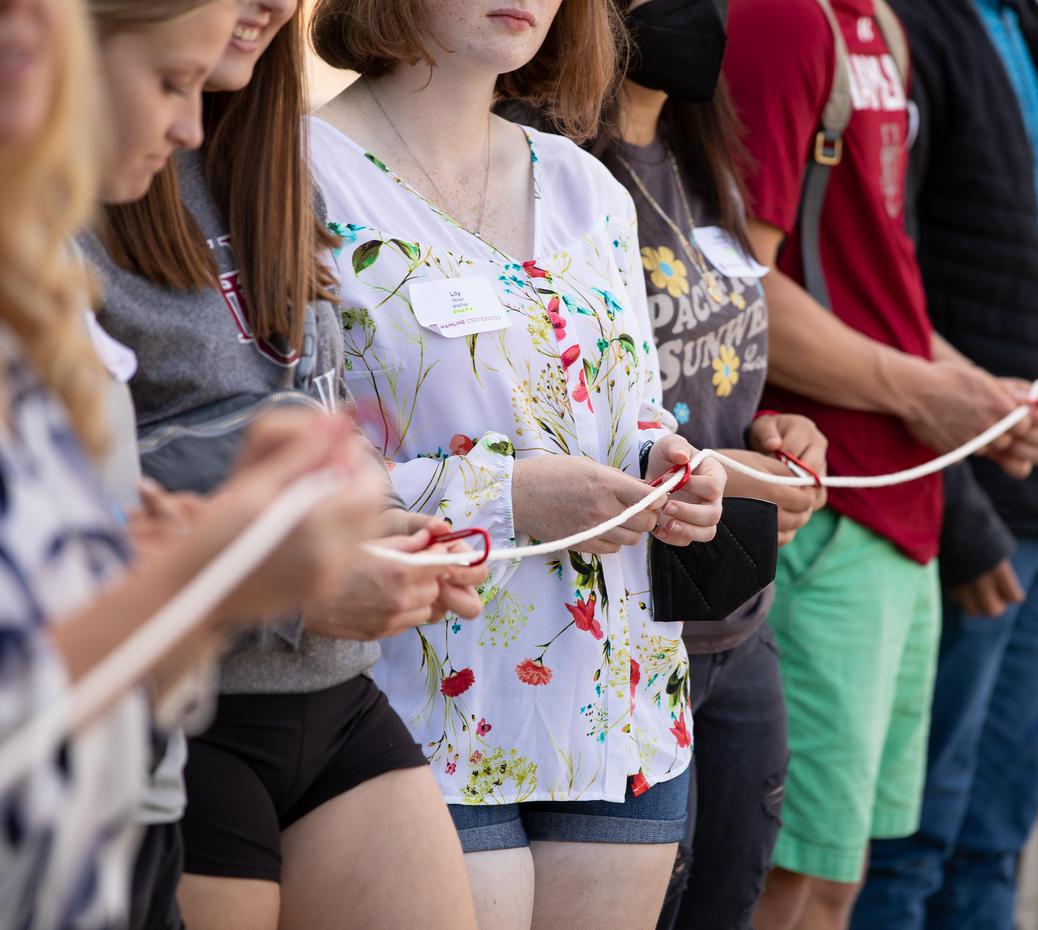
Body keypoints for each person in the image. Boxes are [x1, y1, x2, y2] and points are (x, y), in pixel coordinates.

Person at [307, 1, 728, 927]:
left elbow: (630, 407)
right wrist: (505, 496)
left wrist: (669, 465)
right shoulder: (302, 176)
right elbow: (281, 477)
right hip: (413, 705)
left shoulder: (587, 186)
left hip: (615, 709)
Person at [80, 2, 489, 928]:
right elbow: (84, 514)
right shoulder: (61, 201)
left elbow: (304, 412)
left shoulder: (263, 158)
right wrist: (294, 591)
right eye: (166, 87)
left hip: (335, 694)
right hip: (185, 721)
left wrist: (378, 528)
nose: (265, 7)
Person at [0, 0, 387, 926]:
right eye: (172, 80)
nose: (187, 126)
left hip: (123, 820)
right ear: (31, 44)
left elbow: (94, 628)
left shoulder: (43, 298)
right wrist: (215, 569)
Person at [722, 1, 1038, 927]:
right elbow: (738, 292)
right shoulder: (783, 19)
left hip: (901, 504)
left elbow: (880, 280)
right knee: (789, 886)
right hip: (830, 508)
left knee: (838, 881)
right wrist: (926, 394)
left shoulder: (879, 23)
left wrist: (979, 396)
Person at [851, 0, 1038, 926]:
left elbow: (1035, 219)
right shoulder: (905, 28)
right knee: (908, 849)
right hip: (966, 505)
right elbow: (878, 286)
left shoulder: (1018, 17)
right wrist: (963, 516)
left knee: (997, 838)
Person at [591, 3, 827, 928]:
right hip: (629, 632)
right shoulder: (556, 172)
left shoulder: (703, 158)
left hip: (738, 610)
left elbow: (712, 367)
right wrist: (711, 464)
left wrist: (776, 431)